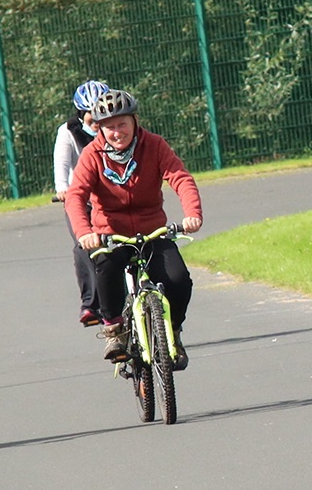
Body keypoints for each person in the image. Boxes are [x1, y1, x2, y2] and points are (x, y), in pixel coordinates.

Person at [63, 88, 203, 365]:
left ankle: (172, 332)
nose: (117, 132)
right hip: (111, 233)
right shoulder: (92, 155)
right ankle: (115, 329)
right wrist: (85, 233)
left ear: (135, 121)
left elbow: (180, 178)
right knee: (107, 267)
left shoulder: (154, 145)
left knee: (178, 280)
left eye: (122, 124)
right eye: (110, 127)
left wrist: (192, 214)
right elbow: (76, 196)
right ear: (100, 129)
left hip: (152, 232)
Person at [55, 80, 109, 326]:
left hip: (111, 196)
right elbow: (62, 163)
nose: (96, 120)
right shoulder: (68, 131)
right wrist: (63, 188)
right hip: (81, 198)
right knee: (84, 245)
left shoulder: (116, 129)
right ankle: (91, 305)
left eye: (100, 112)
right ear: (81, 113)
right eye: (90, 114)